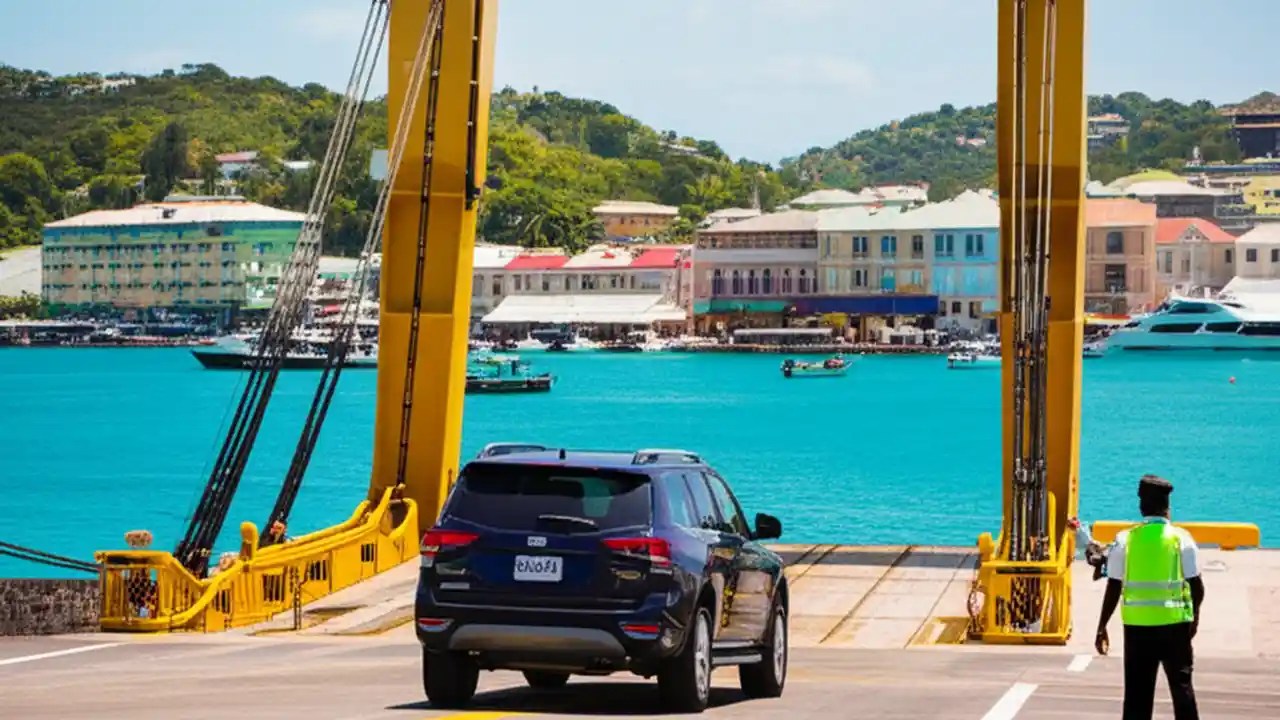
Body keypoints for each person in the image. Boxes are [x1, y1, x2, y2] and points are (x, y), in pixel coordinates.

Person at [1094, 474, 1204, 720]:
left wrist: (1102, 626)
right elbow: (1197, 586)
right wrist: (1194, 618)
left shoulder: (1126, 540)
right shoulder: (1181, 538)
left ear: (1142, 505)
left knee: (1137, 696)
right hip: (1176, 626)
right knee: (1182, 689)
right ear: (1168, 507)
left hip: (1138, 628)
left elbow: (1113, 586)